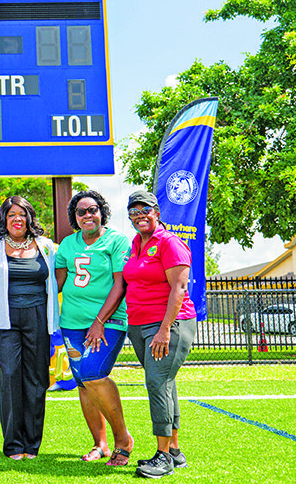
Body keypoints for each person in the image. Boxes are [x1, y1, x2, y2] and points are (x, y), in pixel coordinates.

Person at [0, 196, 59, 460]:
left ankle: (32, 444)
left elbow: (61, 275)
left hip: (38, 316)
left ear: (29, 218)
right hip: (5, 319)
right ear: (4, 219)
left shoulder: (46, 246)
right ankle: (13, 445)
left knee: (36, 379)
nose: (17, 219)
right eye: (11, 215)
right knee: (10, 376)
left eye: (22, 214)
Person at [55, 190, 134, 466]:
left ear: (102, 212)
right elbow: (57, 284)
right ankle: (100, 444)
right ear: (74, 217)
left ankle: (123, 439)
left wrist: (99, 322)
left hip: (108, 321)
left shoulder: (117, 241)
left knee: (93, 373)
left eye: (93, 210)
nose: (87, 215)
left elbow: (120, 284)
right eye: (81, 212)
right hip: (72, 324)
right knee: (83, 384)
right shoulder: (67, 244)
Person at [122, 190, 195, 479]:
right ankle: (174, 450)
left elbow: (179, 288)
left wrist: (165, 329)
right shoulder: (136, 243)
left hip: (168, 325)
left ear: (157, 213)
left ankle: (162, 456)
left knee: (157, 382)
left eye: (145, 210)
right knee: (165, 383)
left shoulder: (169, 242)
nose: (140, 215)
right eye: (134, 211)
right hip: (139, 325)